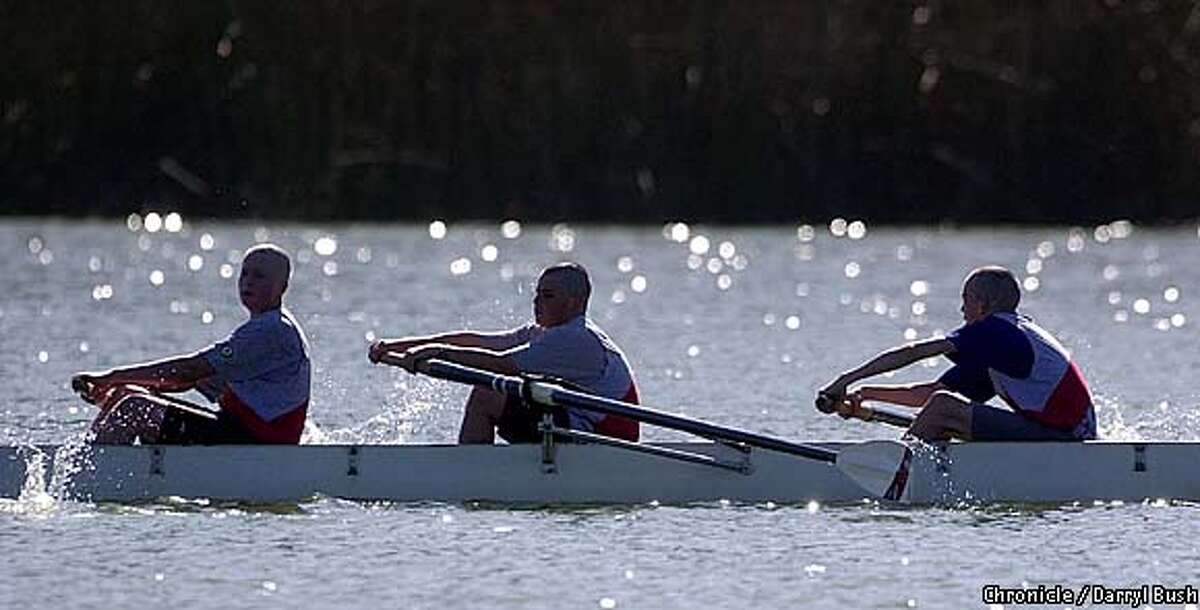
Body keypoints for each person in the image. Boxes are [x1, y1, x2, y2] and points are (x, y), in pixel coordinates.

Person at [369, 262, 641, 444]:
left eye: (547, 295)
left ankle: (470, 474)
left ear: (574, 302)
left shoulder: (574, 338)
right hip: (580, 424)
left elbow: (499, 364)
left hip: (610, 441)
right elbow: (481, 343)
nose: (536, 302)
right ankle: (475, 466)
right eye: (536, 294)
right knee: (495, 391)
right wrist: (397, 347)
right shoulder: (545, 332)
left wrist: (439, 353)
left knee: (487, 394)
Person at [818, 266, 1096, 441]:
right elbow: (927, 394)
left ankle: (899, 474)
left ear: (982, 304)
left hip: (1065, 439)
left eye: (965, 300)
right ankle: (915, 466)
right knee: (942, 411)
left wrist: (846, 378)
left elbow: (917, 351)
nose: (961, 310)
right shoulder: (999, 346)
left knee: (943, 409)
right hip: (1061, 434)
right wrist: (865, 394)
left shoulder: (996, 330)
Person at [71, 244, 311, 444]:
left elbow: (187, 371)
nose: (247, 282)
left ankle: (88, 475)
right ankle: (97, 460)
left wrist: (111, 377)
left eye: (259, 276)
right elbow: (187, 381)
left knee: (133, 408)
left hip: (260, 443)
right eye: (244, 274)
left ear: (283, 287)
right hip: (235, 430)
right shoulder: (262, 328)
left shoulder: (271, 330)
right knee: (127, 394)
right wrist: (121, 384)